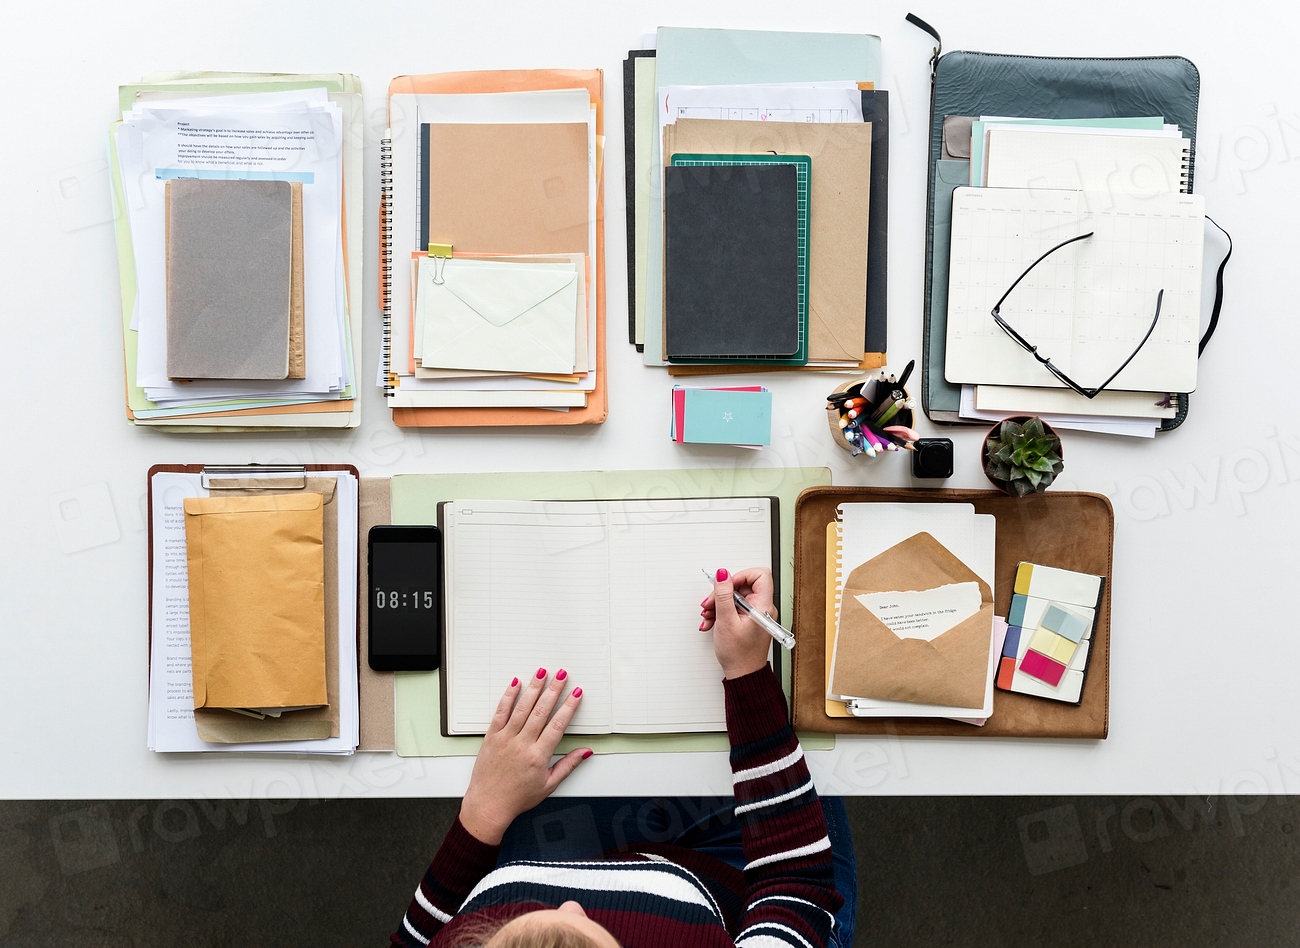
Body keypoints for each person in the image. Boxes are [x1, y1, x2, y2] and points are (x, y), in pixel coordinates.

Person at [391, 567, 857, 948]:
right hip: (734, 884)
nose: (570, 906)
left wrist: (484, 808)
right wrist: (749, 673)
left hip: (572, 854)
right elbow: (797, 890)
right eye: (589, 935)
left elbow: (416, 941)